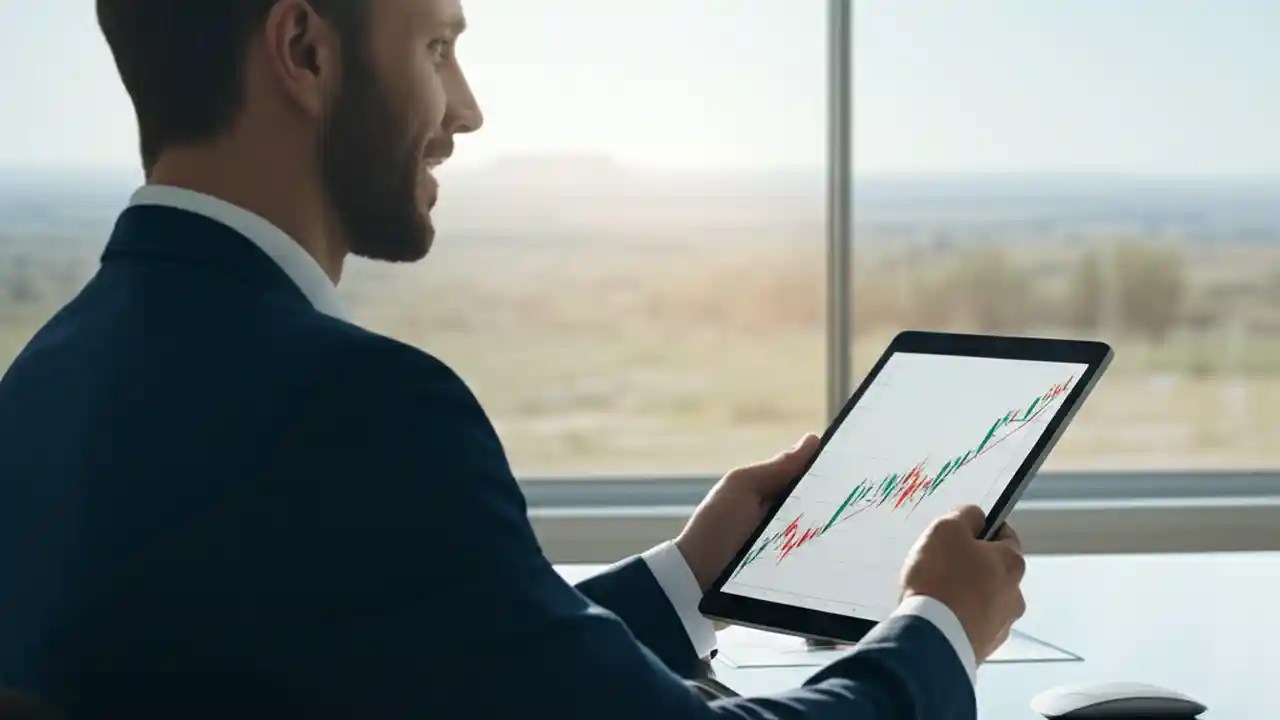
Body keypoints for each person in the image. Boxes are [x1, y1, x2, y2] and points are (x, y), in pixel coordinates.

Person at [0, 1, 1026, 717]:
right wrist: (939, 629)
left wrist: (690, 579)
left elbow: (438, 659)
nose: (465, 109)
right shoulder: (357, 409)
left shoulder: (46, 379)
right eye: (437, 47)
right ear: (304, 50)